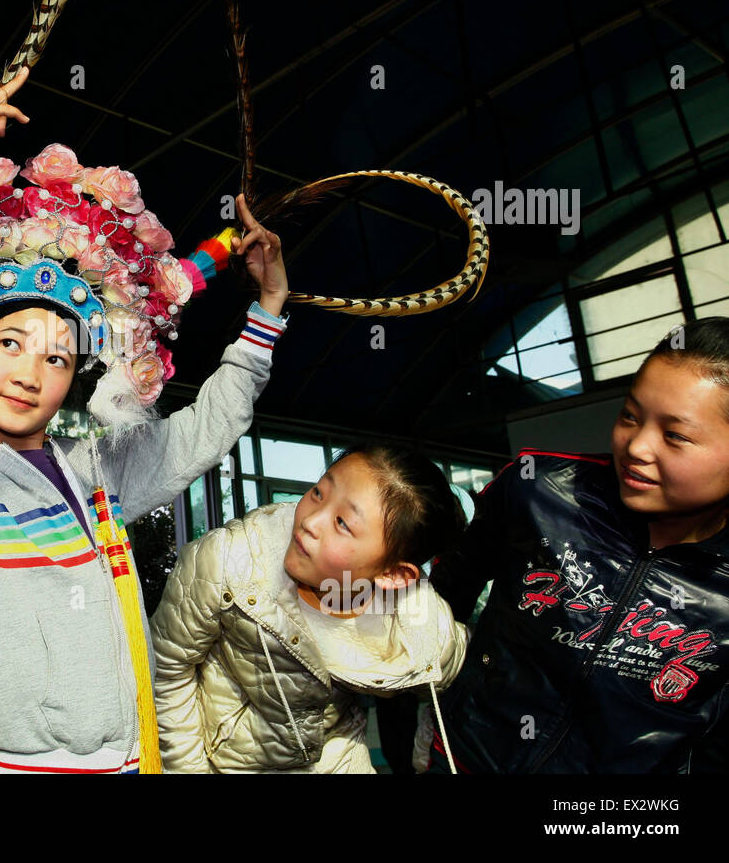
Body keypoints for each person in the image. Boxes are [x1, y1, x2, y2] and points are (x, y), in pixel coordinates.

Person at [0, 67, 291, 773]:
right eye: (9, 344)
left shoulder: (99, 474)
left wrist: (266, 312)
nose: (33, 371)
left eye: (59, 358)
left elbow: (209, 427)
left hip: (131, 761)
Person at [428, 317, 729, 773]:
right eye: (630, 415)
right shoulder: (539, 490)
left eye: (675, 436)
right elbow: (437, 601)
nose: (637, 447)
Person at [150, 445, 468, 772]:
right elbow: (167, 669)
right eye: (318, 492)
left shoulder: (418, 629)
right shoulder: (227, 563)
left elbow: (464, 678)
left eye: (342, 523)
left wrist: (425, 756)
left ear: (393, 575)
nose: (311, 521)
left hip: (338, 760)